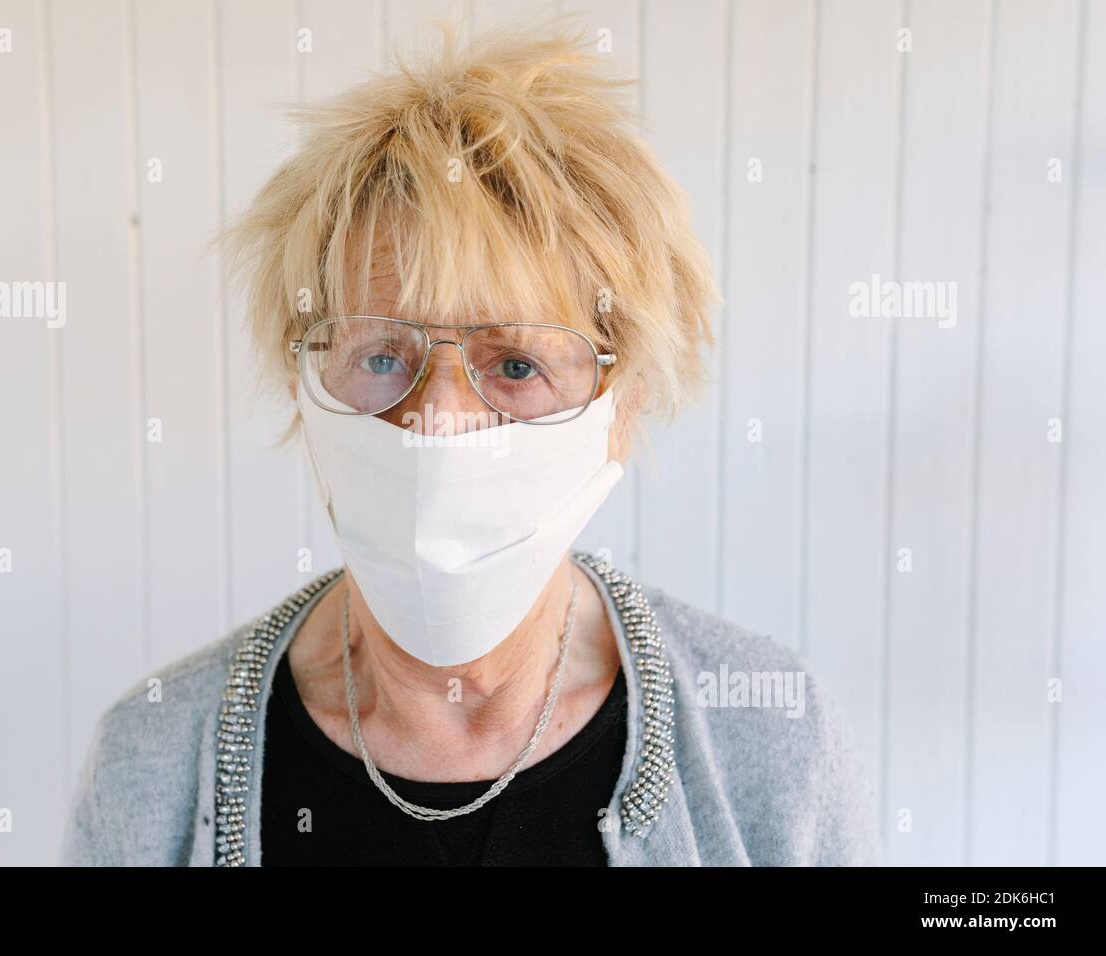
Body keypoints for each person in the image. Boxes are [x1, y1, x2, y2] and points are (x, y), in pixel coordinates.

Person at [61, 20, 879, 867]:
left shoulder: (767, 739)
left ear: (621, 404)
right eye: (382, 356)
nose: (440, 418)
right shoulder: (151, 763)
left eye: (516, 363)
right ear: (305, 382)